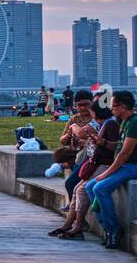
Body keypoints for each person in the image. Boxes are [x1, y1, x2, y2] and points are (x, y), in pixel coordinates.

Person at [84, 91, 137, 249]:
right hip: (125, 166)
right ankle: (108, 228)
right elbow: (119, 147)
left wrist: (107, 173)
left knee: (100, 188)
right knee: (89, 187)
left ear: (123, 106)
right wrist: (102, 142)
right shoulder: (125, 122)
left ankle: (114, 230)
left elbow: (125, 153)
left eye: (113, 106)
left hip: (136, 167)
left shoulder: (136, 122)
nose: (110, 109)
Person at [50, 100, 119, 239]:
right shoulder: (103, 123)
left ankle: (77, 227)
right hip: (95, 162)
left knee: (81, 189)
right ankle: (70, 224)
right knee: (76, 188)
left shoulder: (109, 124)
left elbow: (114, 147)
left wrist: (98, 142)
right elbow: (65, 139)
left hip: (104, 165)